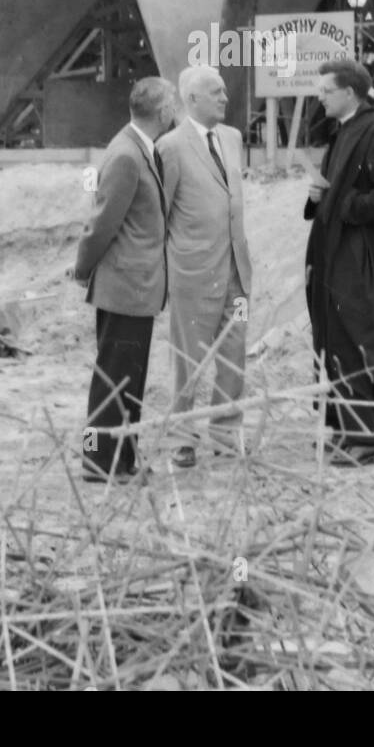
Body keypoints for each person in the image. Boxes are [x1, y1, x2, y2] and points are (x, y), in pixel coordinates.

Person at [304, 58, 374, 465]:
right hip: (339, 255)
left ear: (349, 93)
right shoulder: (346, 131)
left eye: (325, 91)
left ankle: (367, 435)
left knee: (359, 338)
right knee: (338, 339)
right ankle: (347, 426)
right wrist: (318, 199)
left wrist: (343, 203)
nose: (319, 98)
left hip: (361, 259)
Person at [74, 76, 178, 483]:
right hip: (124, 289)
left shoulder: (138, 148)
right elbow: (101, 224)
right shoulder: (127, 156)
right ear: (165, 112)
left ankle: (122, 459)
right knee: (113, 379)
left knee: (127, 378)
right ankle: (98, 461)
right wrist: (83, 270)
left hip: (136, 288)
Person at [158, 65, 253, 468]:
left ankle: (226, 432)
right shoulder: (170, 147)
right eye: (215, 92)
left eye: (225, 92)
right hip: (191, 273)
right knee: (189, 360)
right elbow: (159, 213)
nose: (225, 98)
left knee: (234, 355)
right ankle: (182, 438)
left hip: (235, 268)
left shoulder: (232, 138)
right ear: (191, 99)